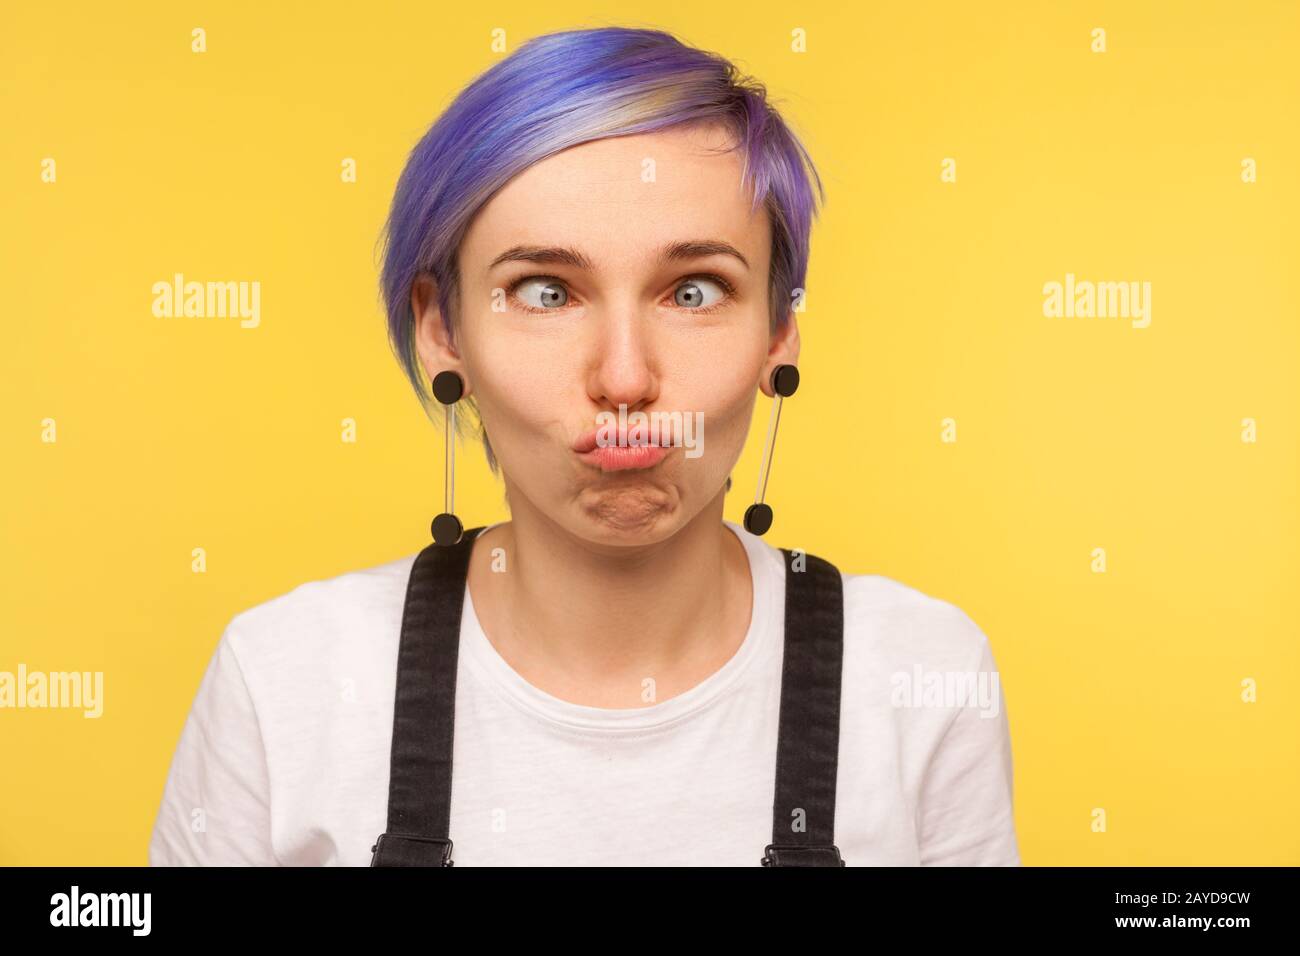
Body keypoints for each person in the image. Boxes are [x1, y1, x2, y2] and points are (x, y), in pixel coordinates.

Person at [148, 25, 1020, 866]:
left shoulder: (919, 677)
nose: (625, 378)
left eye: (691, 292)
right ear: (442, 329)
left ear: (778, 331)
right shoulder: (282, 681)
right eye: (544, 292)